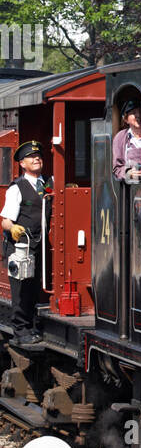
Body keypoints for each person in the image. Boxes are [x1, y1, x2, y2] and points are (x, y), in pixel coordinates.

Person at [1, 140, 52, 346]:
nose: (36, 158)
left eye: (38, 155)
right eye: (31, 157)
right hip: (21, 245)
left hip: (41, 245)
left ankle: (34, 326)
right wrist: (12, 228)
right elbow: (5, 219)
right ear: (22, 163)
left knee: (34, 288)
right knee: (21, 289)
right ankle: (20, 331)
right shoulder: (17, 187)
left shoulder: (50, 182)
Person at [112, 100, 141, 183]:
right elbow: (117, 169)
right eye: (134, 112)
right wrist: (127, 173)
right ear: (126, 119)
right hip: (130, 188)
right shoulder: (120, 137)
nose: (139, 115)